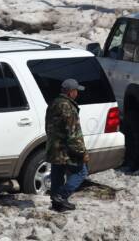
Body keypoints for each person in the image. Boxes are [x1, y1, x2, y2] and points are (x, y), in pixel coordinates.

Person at [45, 78, 89, 212]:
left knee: (57, 175)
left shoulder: (53, 103)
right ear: (70, 92)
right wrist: (82, 152)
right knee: (82, 171)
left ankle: (57, 204)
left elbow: (48, 126)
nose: (77, 93)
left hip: (53, 147)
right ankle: (61, 196)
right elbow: (74, 134)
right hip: (65, 149)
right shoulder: (68, 107)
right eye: (76, 91)